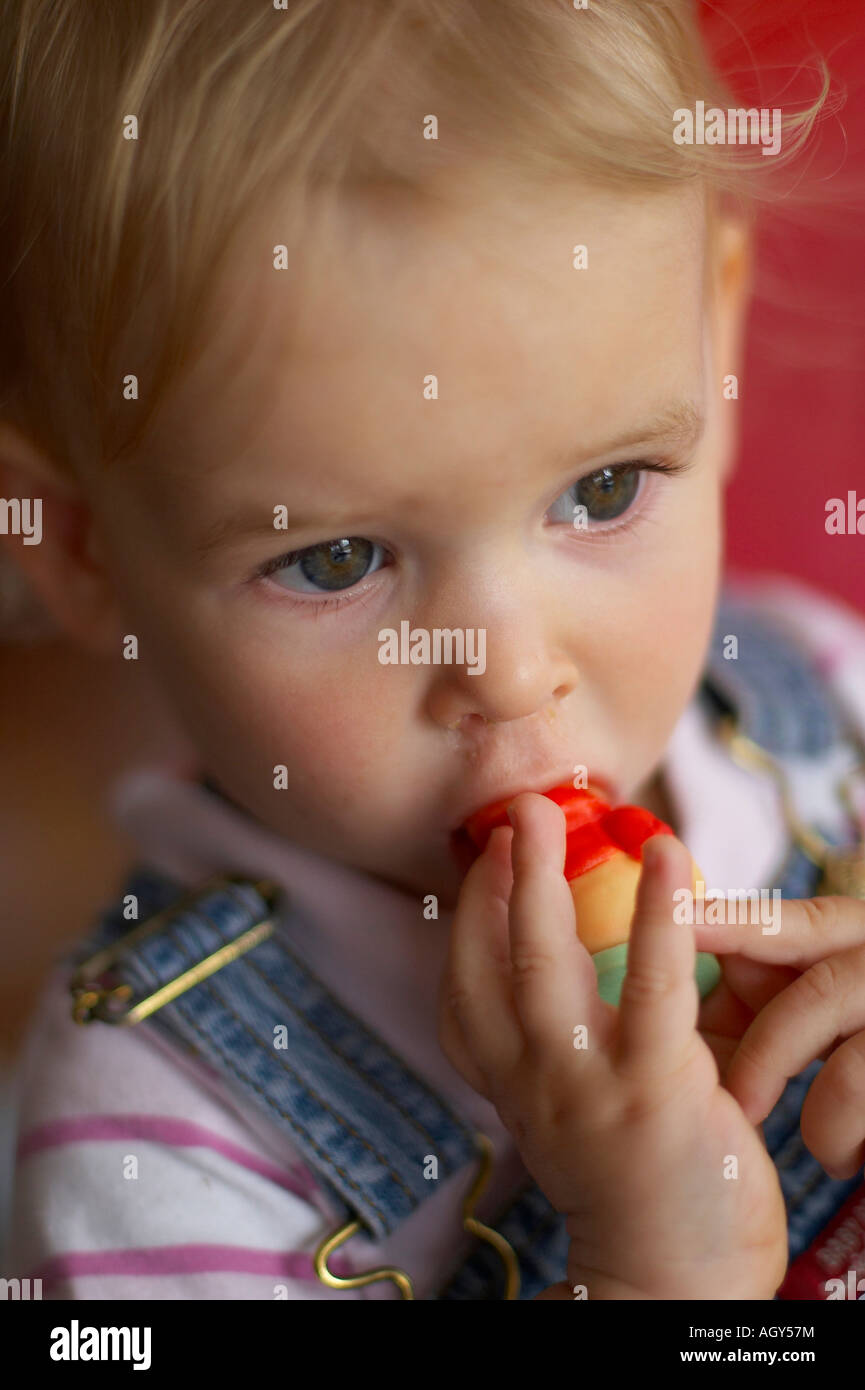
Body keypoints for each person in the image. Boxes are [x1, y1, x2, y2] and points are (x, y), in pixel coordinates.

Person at [1, 0, 864, 1300]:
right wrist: (650, 1273)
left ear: (713, 350)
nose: (511, 668)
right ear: (78, 549)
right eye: (337, 559)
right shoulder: (158, 1140)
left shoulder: (824, 704)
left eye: (603, 487)